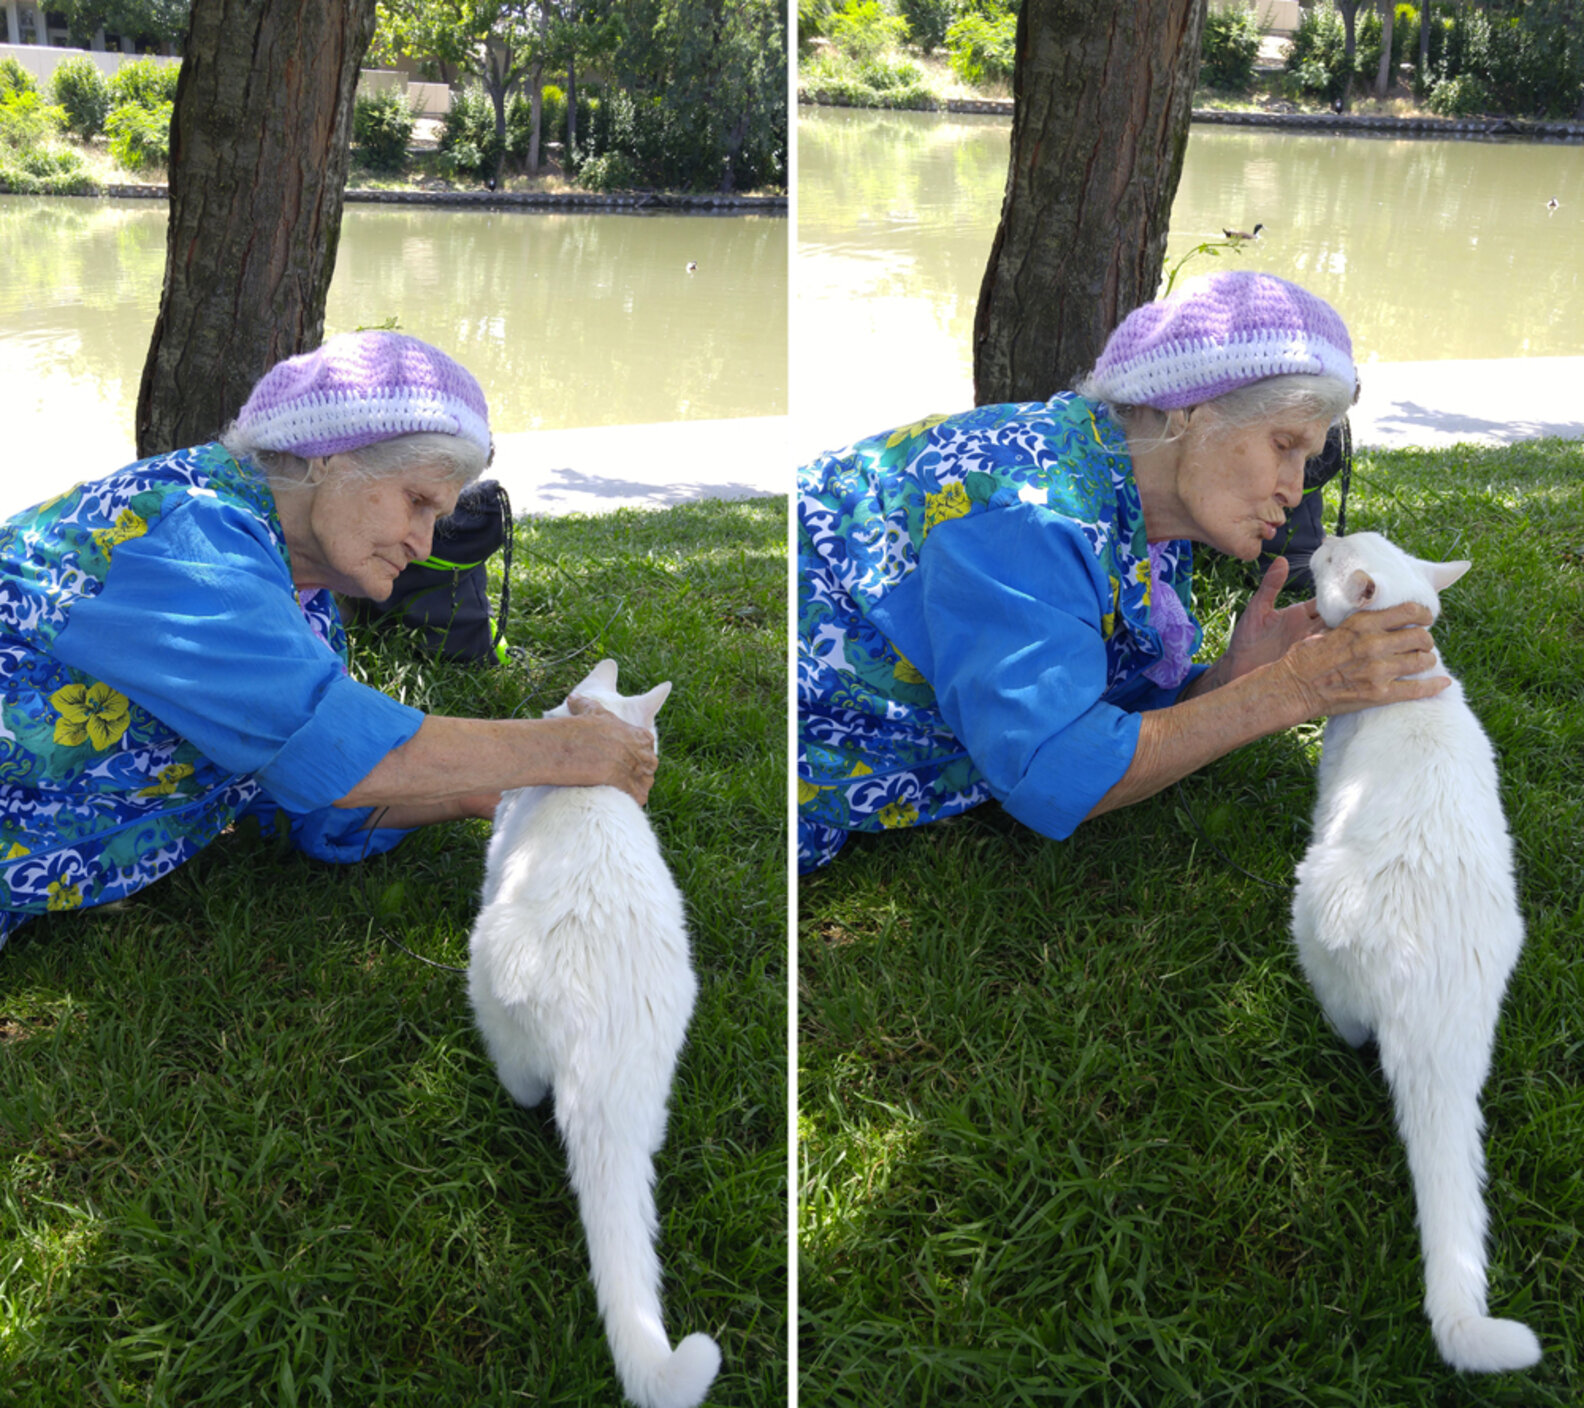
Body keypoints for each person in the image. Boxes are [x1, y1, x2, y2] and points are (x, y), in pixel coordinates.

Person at [0, 331, 657, 946]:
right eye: (417, 501)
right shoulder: (187, 538)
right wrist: (566, 748)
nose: (424, 545)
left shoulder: (298, 594)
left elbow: (301, 786)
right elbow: (343, 750)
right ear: (329, 458)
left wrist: (474, 791)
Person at [796, 270, 1448, 872]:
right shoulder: (1033, 514)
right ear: (1191, 410)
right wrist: (1293, 691)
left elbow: (1080, 694)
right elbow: (1051, 764)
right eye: (1285, 445)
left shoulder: (1128, 491)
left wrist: (1230, 678)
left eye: (1309, 457)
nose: (1295, 487)